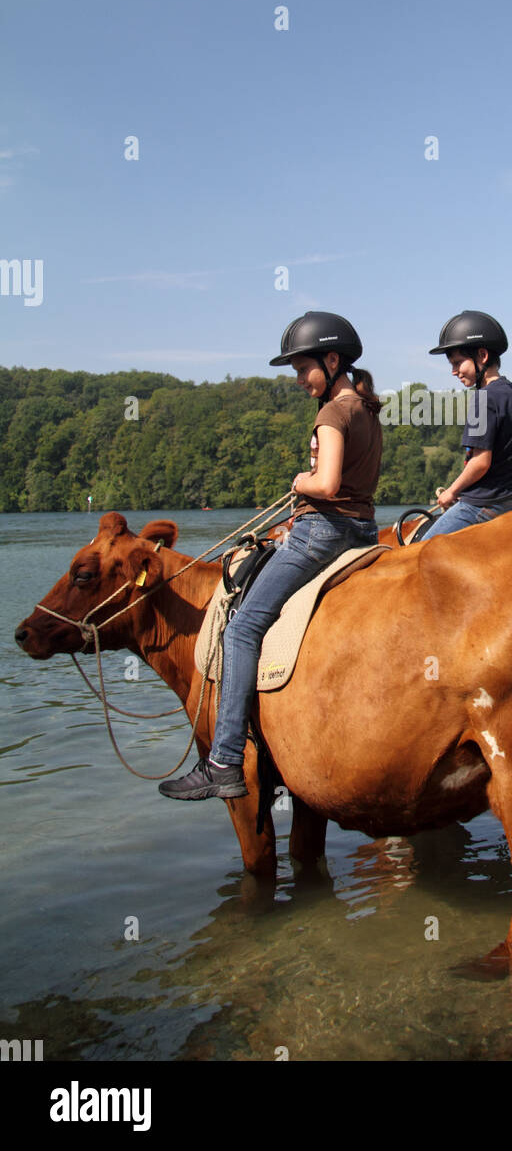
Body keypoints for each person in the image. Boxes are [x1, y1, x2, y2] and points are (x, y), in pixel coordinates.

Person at [159, 311, 383, 800]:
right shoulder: (366, 408)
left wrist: (301, 482)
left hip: (322, 533)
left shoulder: (332, 414)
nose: (300, 380)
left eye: (304, 369)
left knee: (241, 629)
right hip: (363, 531)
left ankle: (223, 761)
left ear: (332, 359)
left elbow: (324, 484)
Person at [416, 310, 512, 541]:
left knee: (418, 552)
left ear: (482, 355)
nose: (454, 371)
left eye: (458, 362)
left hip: (487, 502)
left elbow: (480, 462)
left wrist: (451, 491)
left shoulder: (483, 398)